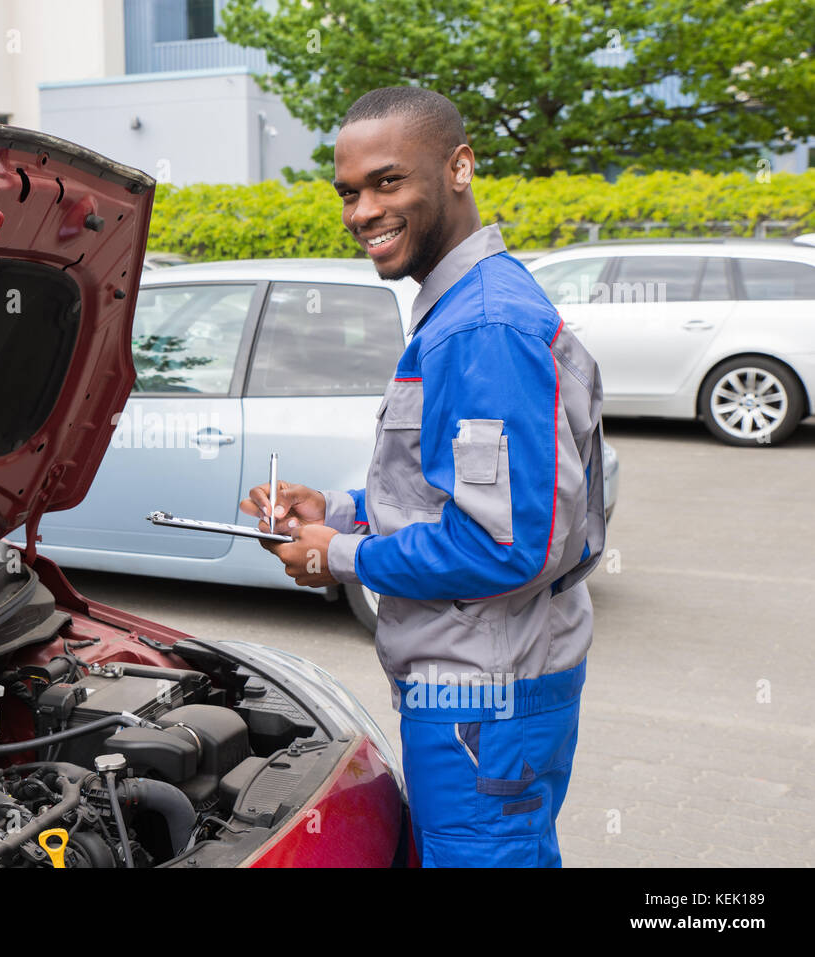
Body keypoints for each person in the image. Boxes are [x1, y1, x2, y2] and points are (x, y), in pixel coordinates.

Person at [239, 87, 606, 867]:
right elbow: (450, 497)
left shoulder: (481, 326)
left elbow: (505, 544)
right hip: (487, 690)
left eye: (387, 182)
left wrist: (333, 554)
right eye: (348, 192)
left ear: (460, 167)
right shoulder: (460, 310)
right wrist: (335, 507)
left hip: (482, 698)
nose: (362, 211)